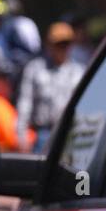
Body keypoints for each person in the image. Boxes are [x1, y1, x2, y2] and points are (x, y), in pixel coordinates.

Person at [17, 22, 86, 154]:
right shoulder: (35, 69)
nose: (62, 48)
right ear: (49, 45)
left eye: (65, 44)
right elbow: (25, 103)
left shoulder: (79, 72)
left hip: (70, 135)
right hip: (43, 134)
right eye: (58, 44)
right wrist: (22, 136)